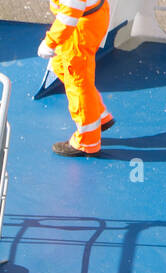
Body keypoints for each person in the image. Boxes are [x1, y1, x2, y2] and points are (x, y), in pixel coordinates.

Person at [39, 0, 114, 157]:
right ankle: (98, 115)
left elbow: (69, 14)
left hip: (80, 28)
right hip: (87, 19)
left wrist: (50, 42)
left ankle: (87, 142)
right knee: (60, 65)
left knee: (78, 83)